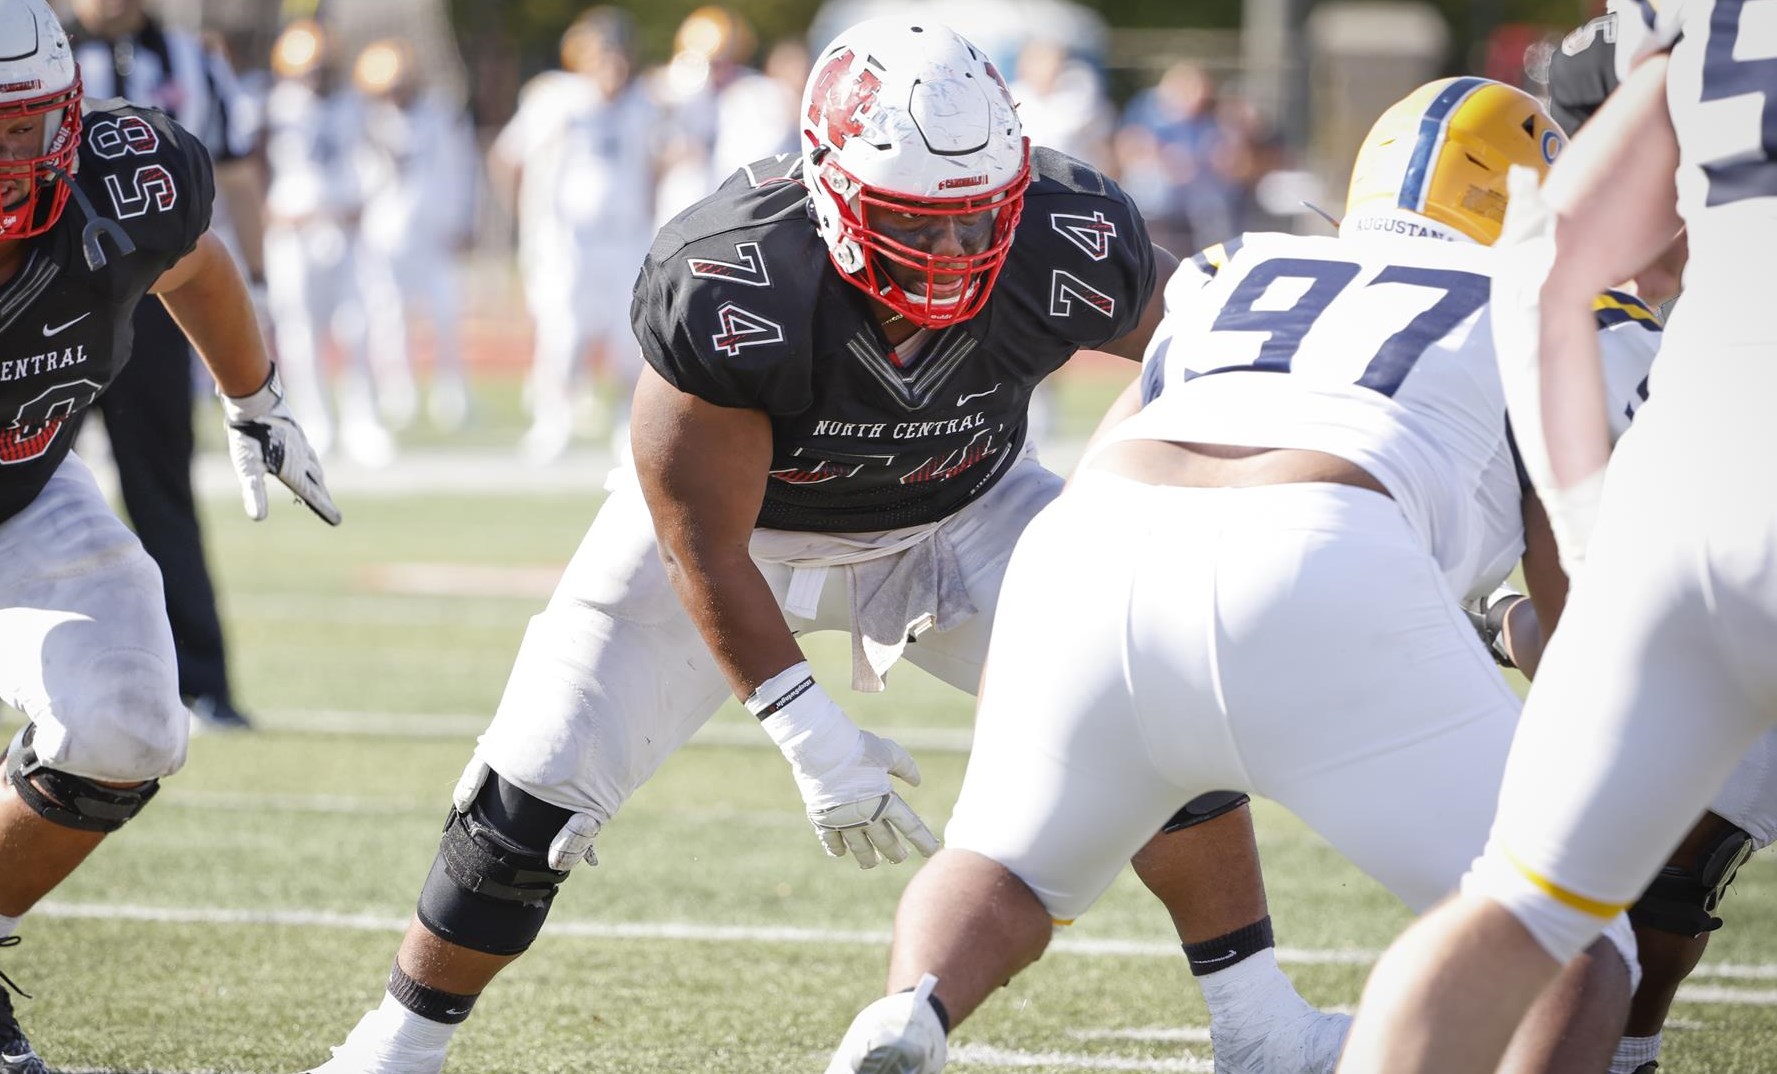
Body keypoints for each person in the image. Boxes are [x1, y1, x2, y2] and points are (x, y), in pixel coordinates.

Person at [298, 19, 1348, 1074]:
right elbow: (699, 542)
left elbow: (1212, 340)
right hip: (745, 532)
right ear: (830, 183)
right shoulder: (732, 277)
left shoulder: (1063, 230)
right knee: (537, 781)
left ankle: (1259, 1024)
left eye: (975, 214)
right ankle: (394, 1048)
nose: (949, 251)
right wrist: (806, 729)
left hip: (962, 511)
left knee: (1157, 704)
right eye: (912, 220)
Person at [823, 76, 1663, 1074]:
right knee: (1569, 937)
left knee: (1003, 866)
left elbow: (1107, 456)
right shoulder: (1564, 306)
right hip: (1322, 553)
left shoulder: (1236, 264)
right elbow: (1576, 592)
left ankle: (902, 1019)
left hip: (1089, 549)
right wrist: (1521, 633)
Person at [1337, 3, 1777, 1071]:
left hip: (1689, 488)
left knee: (1527, 915)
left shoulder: (1703, 23)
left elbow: (1549, 252)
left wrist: (1591, 543)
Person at [0, 2, 337, 1071]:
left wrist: (255, 398)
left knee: (132, 725)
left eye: (21, 126)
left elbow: (191, 261)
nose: (8, 159)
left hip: (22, 492)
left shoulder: (127, 169)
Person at [66, 0, 262, 730]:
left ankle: (203, 681)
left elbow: (237, 172)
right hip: (48, 291)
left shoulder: (195, 61)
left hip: (158, 298)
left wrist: (260, 281)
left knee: (163, 490)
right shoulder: (33, 48)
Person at [488, 7, 657, 464]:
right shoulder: (556, 99)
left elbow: (655, 164)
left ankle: (627, 423)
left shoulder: (642, 103)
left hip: (624, 236)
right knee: (563, 332)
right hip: (569, 239)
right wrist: (527, 220)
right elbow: (508, 157)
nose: (614, 67)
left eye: (619, 55)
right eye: (604, 55)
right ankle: (552, 420)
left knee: (631, 336)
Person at [260, 18, 390, 468]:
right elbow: (250, 166)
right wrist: (266, 208)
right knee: (300, 333)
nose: (315, 76)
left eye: (321, 67)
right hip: (292, 233)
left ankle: (362, 422)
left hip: (343, 230)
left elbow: (380, 157)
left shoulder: (352, 104)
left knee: (356, 327)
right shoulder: (272, 107)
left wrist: (364, 199)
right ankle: (315, 421)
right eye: (307, 68)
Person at [350, 38, 477, 434]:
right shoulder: (365, 122)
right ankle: (397, 392)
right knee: (388, 319)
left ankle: (450, 393)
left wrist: (460, 217)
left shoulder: (439, 115)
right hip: (383, 235)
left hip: (433, 233)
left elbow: (461, 168)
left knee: (445, 315)